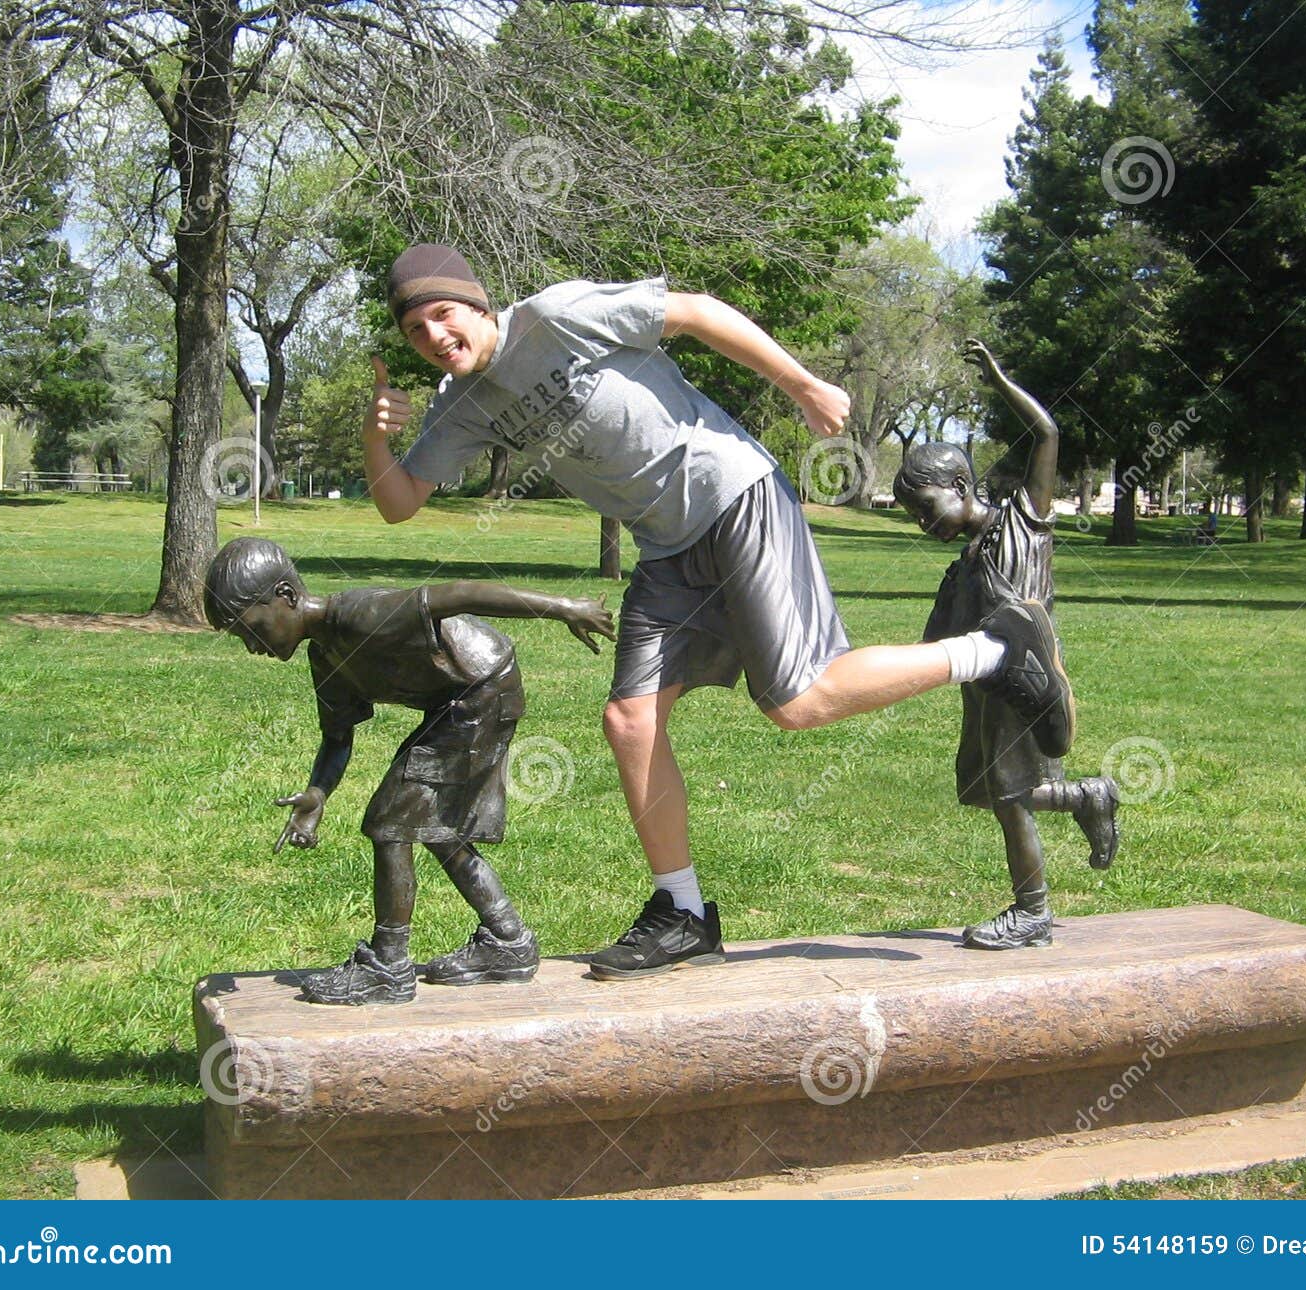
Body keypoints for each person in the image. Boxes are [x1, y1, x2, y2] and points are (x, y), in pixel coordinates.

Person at [361, 244, 1074, 979]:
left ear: (476, 304)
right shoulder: (462, 406)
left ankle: (996, 652)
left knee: (800, 700)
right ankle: (684, 913)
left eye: (444, 315)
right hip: (667, 549)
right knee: (629, 720)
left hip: (734, 493)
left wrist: (803, 386)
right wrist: (375, 434)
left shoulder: (555, 316)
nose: (436, 337)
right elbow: (398, 502)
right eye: (416, 331)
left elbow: (695, 313)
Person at [202, 537, 615, 1002]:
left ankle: (388, 966)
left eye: (250, 627)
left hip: (481, 689)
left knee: (390, 823)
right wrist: (317, 794)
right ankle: (508, 941)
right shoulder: (326, 657)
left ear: (287, 596)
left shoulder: (360, 615)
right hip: (456, 698)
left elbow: (460, 593)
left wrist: (565, 607)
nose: (250, 645)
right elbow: (338, 738)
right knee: (437, 830)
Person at [893, 339, 1119, 950]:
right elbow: (936, 641)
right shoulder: (964, 562)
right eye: (914, 516)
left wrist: (997, 379)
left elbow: (1046, 433)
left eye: (927, 505)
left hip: (1028, 679)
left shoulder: (1025, 519)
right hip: (986, 687)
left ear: (962, 483)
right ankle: (1081, 804)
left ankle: (1036, 907)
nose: (923, 522)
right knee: (999, 793)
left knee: (1012, 797)